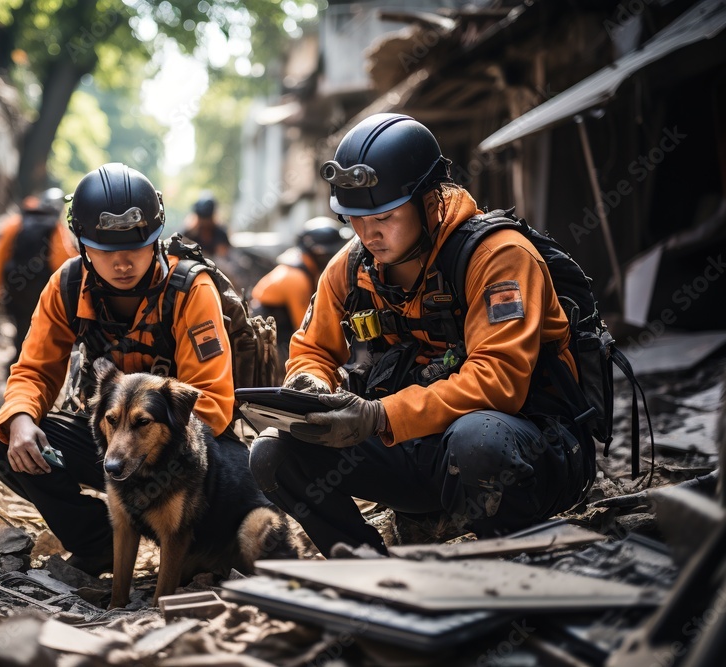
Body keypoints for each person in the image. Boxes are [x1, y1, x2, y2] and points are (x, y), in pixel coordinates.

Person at [248, 114, 595, 557]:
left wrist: (376, 416)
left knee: (477, 441)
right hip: (420, 453)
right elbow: (312, 348)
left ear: (429, 201)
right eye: (354, 218)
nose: (368, 234)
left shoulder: (499, 256)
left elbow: (499, 382)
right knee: (273, 452)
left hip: (528, 451)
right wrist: (310, 386)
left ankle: (510, 564)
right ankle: (364, 568)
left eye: (386, 217)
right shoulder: (351, 267)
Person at [0, 163, 236, 576]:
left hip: (183, 449)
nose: (123, 263)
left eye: (137, 247)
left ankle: (189, 544)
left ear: (158, 240)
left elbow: (213, 406)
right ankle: (98, 543)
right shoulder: (66, 285)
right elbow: (35, 371)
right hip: (112, 444)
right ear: (81, 245)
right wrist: (21, 419)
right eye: (106, 251)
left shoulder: (191, 290)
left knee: (225, 533)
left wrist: (145, 451)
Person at [0, 188, 77, 367]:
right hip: (40, 292)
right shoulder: (56, 228)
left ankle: (19, 362)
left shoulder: (17, 221)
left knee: (21, 327)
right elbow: (64, 262)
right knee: (38, 329)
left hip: (14, 290)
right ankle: (28, 366)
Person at [251, 217, 351, 364]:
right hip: (269, 345)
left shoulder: (300, 268)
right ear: (318, 253)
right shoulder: (296, 279)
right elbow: (305, 329)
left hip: (276, 336)